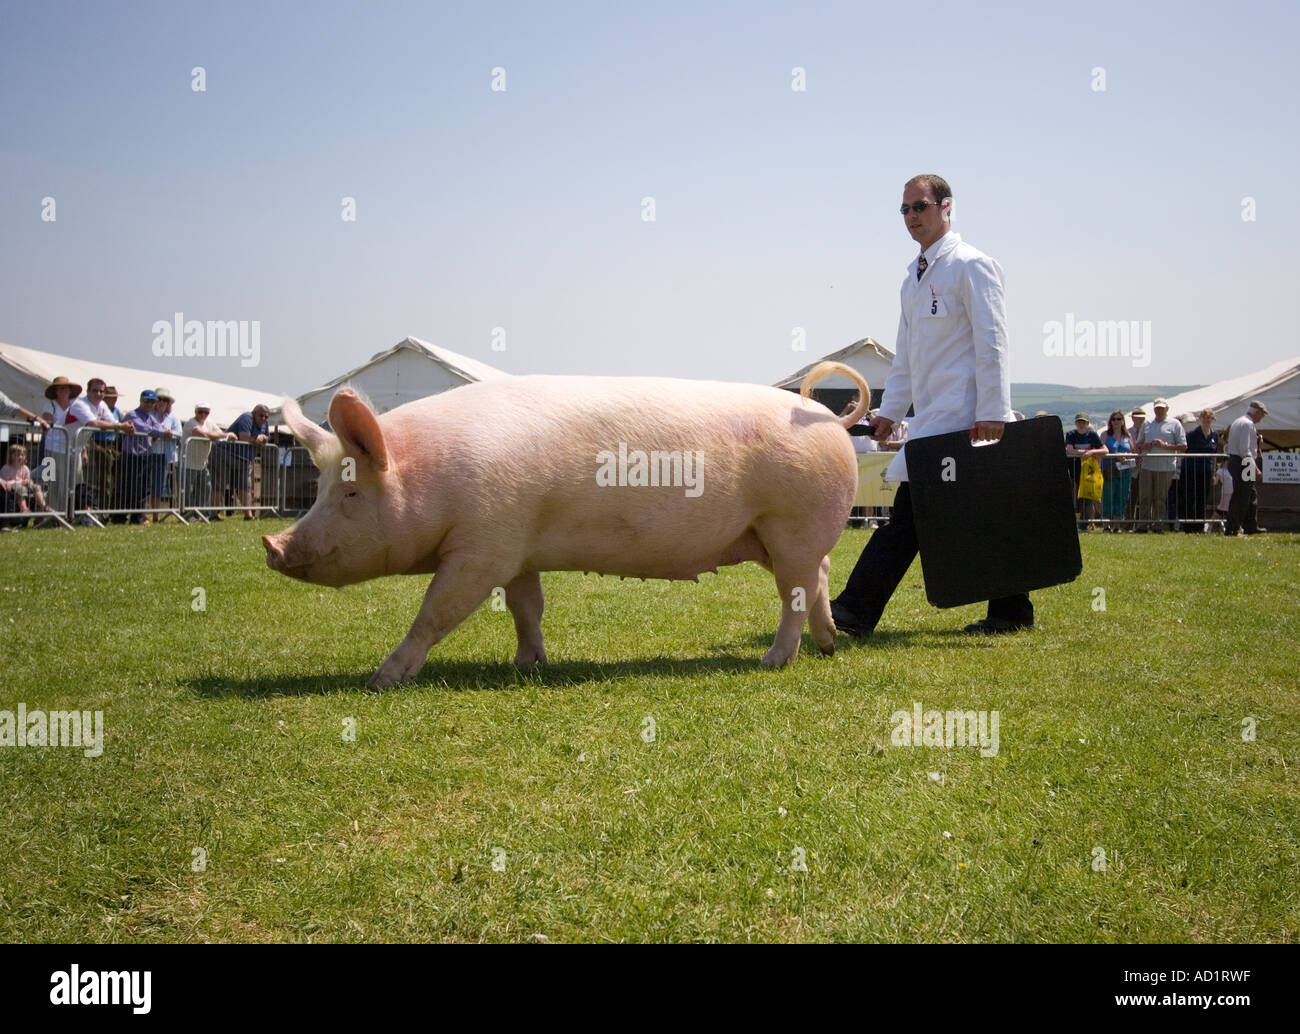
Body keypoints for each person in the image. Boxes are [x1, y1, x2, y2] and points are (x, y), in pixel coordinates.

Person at [832, 173, 1033, 638]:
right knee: (947, 520)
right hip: (932, 423)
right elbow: (906, 358)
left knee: (910, 521)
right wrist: (889, 414)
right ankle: (1012, 610)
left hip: (968, 421)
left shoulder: (971, 265)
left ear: (947, 207)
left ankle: (855, 610)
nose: (911, 217)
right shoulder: (912, 278)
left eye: (919, 206)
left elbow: (993, 342)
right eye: (904, 210)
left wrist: (994, 411)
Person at [38, 376, 130, 517]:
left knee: (75, 485)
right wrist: (120, 426)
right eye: (95, 391)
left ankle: (70, 515)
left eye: (101, 391)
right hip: (56, 447)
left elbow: (113, 423)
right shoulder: (80, 405)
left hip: (76, 449)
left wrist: (123, 426)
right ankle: (53, 517)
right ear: (88, 391)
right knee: (58, 485)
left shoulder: (102, 405)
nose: (99, 394)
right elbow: (94, 424)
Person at [1133, 398, 1186, 532]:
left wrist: (1165, 446)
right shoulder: (1147, 424)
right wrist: (1149, 445)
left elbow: (1183, 446)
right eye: (1157, 408)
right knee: (1145, 497)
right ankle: (1142, 525)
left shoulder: (1175, 424)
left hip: (1165, 467)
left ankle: (1158, 525)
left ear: (1167, 409)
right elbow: (1138, 445)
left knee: (1160, 499)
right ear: (1154, 409)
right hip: (1147, 465)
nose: (1159, 410)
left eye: (1162, 408)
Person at [215, 404, 272, 519]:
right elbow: (244, 437)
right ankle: (214, 514)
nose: (263, 419)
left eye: (266, 417)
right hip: (224, 453)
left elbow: (267, 437)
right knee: (219, 484)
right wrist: (257, 440)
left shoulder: (265, 423)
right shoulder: (247, 418)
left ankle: (248, 515)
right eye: (261, 416)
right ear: (254, 413)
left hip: (243, 459)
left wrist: (264, 438)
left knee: (245, 486)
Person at [119, 389, 166, 523]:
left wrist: (161, 432)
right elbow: (145, 429)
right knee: (127, 488)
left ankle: (137, 517)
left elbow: (159, 428)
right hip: (130, 456)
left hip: (145, 456)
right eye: (147, 401)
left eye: (152, 402)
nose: (149, 404)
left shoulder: (151, 417)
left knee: (143, 488)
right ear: (141, 400)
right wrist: (161, 433)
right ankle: (120, 517)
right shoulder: (132, 415)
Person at [181, 403, 234, 517]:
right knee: (187, 493)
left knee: (204, 491)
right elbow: (203, 434)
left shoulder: (209, 422)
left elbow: (219, 432)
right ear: (195, 412)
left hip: (203, 464)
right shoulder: (191, 423)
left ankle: (199, 515)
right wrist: (225, 436)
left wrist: (228, 435)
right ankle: (187, 515)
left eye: (206, 412)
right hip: (188, 464)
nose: (203, 414)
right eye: (200, 412)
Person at [1224, 401, 1267, 536]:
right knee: (1241, 496)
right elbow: (1245, 450)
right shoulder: (1248, 424)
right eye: (1262, 415)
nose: (1262, 418)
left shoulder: (1238, 421)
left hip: (1237, 461)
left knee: (1251, 494)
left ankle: (1250, 525)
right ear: (1257, 412)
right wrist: (1255, 468)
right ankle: (1233, 528)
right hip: (1244, 463)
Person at [1180, 408, 1219, 533]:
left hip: (1206, 472)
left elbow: (1214, 455)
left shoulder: (1215, 435)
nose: (1207, 420)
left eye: (1209, 418)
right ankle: (1188, 527)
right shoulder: (1192, 435)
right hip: (1191, 471)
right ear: (1200, 419)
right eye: (1205, 418)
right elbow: (1185, 451)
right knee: (1191, 498)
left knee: (1202, 499)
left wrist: (1214, 473)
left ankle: (1199, 526)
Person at [1065, 414, 1106, 530]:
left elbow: (1104, 450)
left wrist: (1091, 452)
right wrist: (1085, 452)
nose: (1081, 424)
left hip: (1088, 474)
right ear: (1076, 423)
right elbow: (1069, 449)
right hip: (1074, 472)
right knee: (1075, 499)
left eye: (1083, 422)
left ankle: (1085, 524)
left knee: (1087, 500)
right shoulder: (1071, 434)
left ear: (1087, 424)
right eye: (1079, 422)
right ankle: (1075, 524)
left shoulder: (1092, 435)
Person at [150, 387, 183, 519]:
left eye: (165, 400)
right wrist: (158, 433)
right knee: (145, 484)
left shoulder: (173, 416)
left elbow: (179, 433)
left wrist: (169, 434)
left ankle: (155, 516)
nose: (162, 402)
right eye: (159, 399)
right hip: (147, 453)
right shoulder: (149, 414)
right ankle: (141, 514)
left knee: (158, 486)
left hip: (164, 455)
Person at [0, 443, 52, 525]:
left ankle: (43, 506)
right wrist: (20, 481)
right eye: (16, 455)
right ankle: (23, 508)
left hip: (25, 488)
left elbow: (28, 479)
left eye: (22, 455)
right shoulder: (6, 468)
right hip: (12, 488)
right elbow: (5, 483)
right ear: (10, 456)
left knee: (36, 486)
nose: (20, 457)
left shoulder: (25, 468)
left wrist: (29, 482)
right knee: (21, 488)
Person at [1099, 410, 1133, 529]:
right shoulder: (1105, 435)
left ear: (1123, 421)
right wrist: (1115, 455)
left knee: (1122, 496)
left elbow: (1132, 452)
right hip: (1109, 470)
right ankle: (1106, 525)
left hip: (1125, 471)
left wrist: (1127, 457)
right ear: (1110, 422)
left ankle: (1116, 525)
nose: (1116, 421)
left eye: (1119, 419)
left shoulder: (1127, 436)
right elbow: (1100, 451)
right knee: (1108, 495)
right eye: (1114, 419)